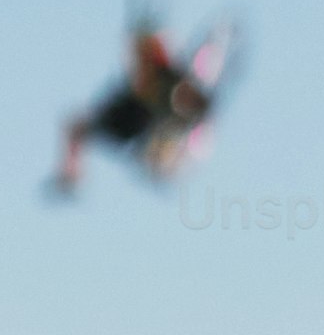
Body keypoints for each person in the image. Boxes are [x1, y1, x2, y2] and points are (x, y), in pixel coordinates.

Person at [47, 10, 226, 198]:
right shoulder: (167, 72)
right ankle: (71, 176)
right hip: (132, 114)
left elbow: (175, 160)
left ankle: (72, 175)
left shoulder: (184, 131)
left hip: (139, 126)